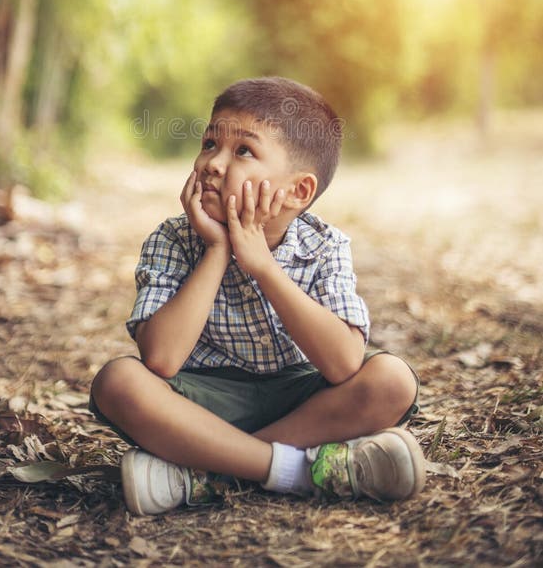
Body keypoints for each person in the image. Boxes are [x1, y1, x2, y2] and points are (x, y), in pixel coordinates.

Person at [90, 77, 425, 515]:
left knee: (392, 380)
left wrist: (263, 268)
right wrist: (216, 251)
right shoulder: (174, 239)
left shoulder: (324, 246)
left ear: (298, 191)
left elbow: (343, 363)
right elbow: (162, 360)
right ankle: (300, 472)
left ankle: (204, 471)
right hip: (201, 403)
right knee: (119, 383)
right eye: (210, 143)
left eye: (243, 150)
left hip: (303, 403)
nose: (212, 163)